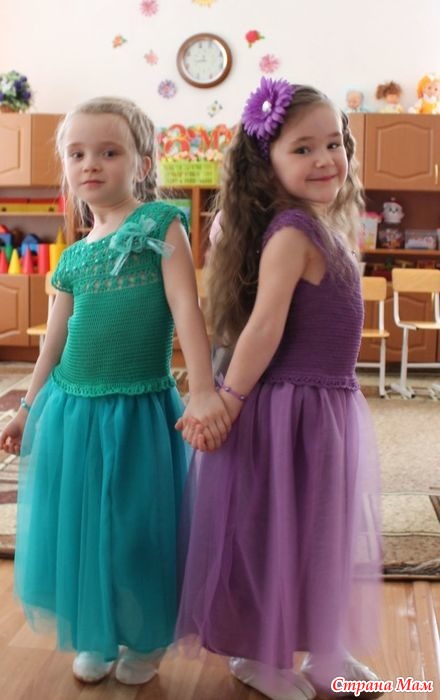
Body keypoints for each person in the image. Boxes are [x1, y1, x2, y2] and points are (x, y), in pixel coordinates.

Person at [0, 96, 230, 686]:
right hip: (72, 411)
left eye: (108, 152)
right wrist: (26, 407)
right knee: (83, 528)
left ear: (142, 162)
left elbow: (186, 308)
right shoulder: (74, 257)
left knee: (135, 530)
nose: (91, 164)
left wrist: (203, 389)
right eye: (77, 154)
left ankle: (144, 638)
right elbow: (53, 344)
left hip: (138, 408)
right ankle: (96, 633)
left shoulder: (161, 223)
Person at [176, 78, 383, 700]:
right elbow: (262, 327)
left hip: (325, 405)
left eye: (334, 143)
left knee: (320, 533)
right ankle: (254, 653)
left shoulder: (325, 226)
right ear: (267, 163)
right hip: (284, 408)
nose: (325, 159)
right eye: (303, 148)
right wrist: (230, 400)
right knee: (268, 533)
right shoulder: (292, 232)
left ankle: (323, 648)